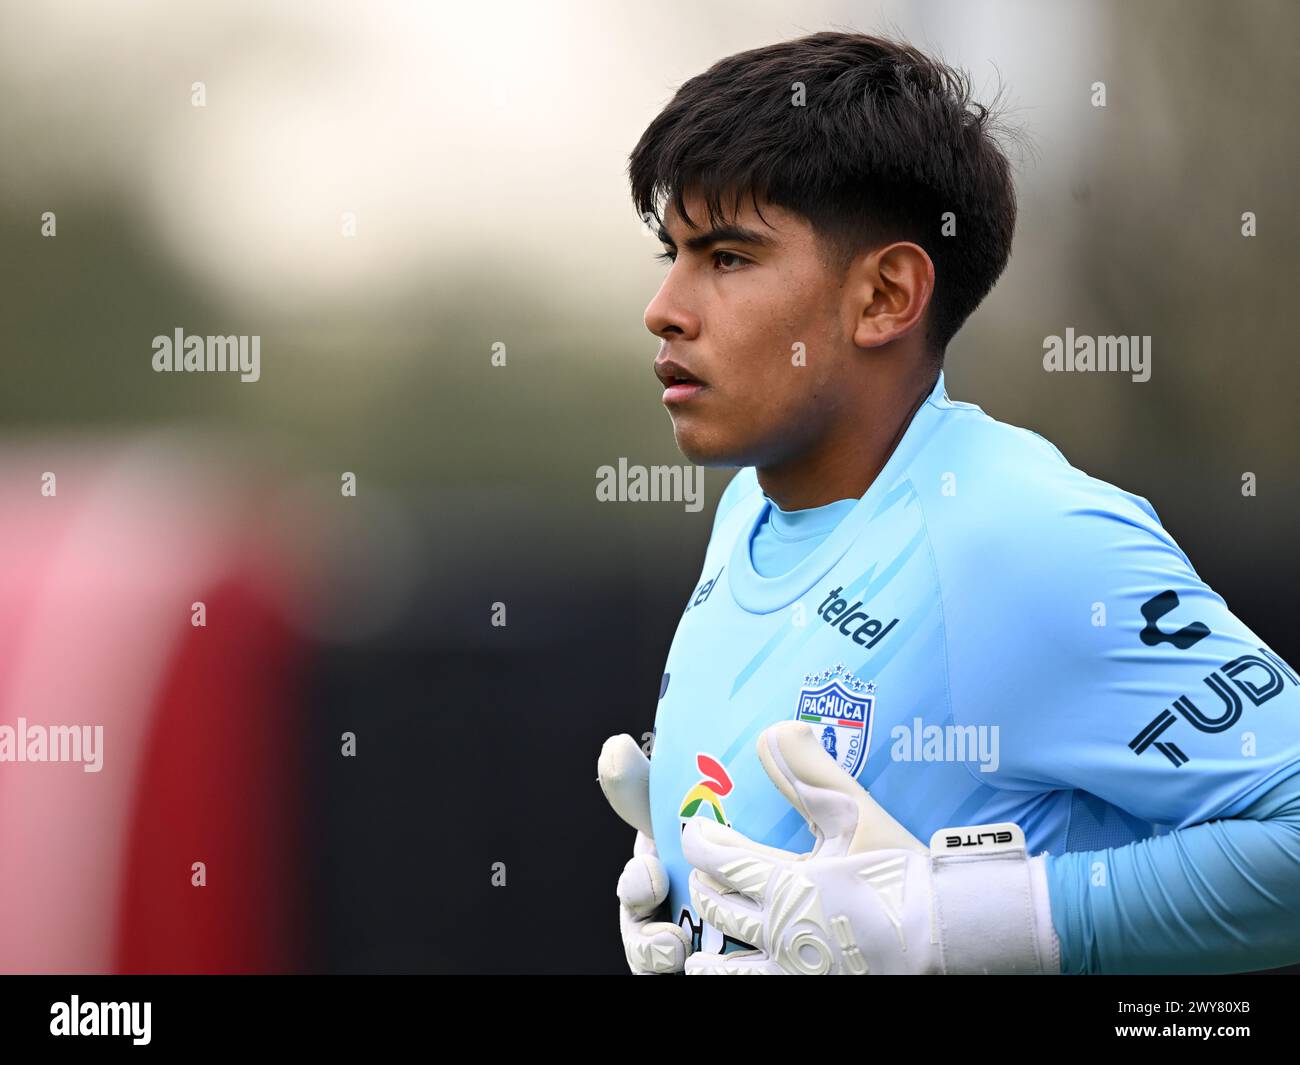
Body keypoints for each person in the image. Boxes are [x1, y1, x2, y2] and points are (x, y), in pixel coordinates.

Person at [596, 30, 1300, 976]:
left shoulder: (1019, 536)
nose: (666, 306)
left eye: (727, 256)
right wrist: (696, 902)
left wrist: (957, 926)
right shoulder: (746, 514)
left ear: (886, 296)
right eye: (670, 252)